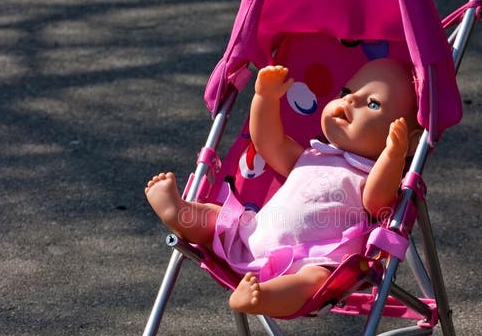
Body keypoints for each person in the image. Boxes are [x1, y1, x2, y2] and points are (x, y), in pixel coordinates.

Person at [145, 59, 420, 318]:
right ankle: (179, 212)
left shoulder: (369, 174)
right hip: (252, 237)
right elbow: (269, 143)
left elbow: (378, 202)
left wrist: (392, 157)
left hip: (311, 260)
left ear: (410, 142)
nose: (350, 100)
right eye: (347, 92)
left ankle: (264, 297)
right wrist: (264, 98)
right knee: (220, 217)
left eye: (373, 104)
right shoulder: (311, 155)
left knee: (315, 281)